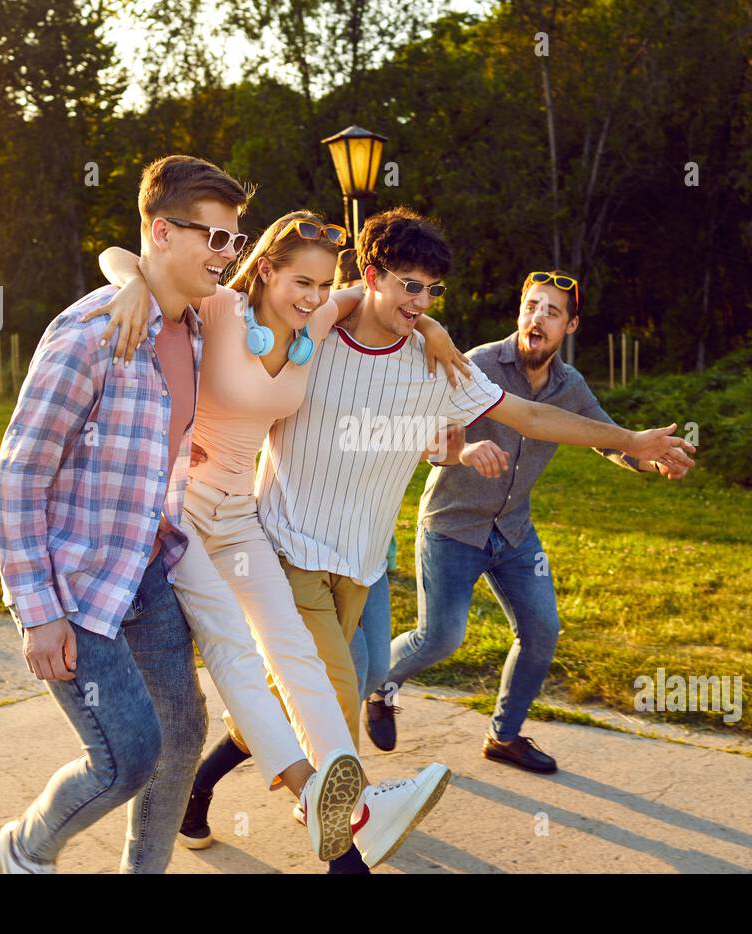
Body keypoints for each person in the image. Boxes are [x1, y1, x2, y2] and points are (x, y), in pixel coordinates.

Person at [248, 207, 694, 867]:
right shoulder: (323, 329)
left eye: (431, 292)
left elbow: (536, 417)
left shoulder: (440, 362)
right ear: (371, 275)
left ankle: (222, 775)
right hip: (292, 546)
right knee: (339, 693)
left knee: (342, 679)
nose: (420, 301)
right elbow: (273, 305)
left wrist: (632, 441)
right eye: (407, 285)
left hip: (364, 558)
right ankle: (353, 821)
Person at [0, 156, 369, 873]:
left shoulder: (196, 326)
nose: (228, 255)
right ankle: (27, 848)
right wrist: (36, 609)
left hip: (152, 557)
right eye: (215, 239)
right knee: (128, 753)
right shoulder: (93, 334)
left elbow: (334, 297)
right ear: (162, 233)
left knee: (184, 728)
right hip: (79, 583)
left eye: (235, 239)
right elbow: (18, 474)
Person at [92, 209, 472, 872]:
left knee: (295, 653)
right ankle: (336, 809)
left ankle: (356, 803)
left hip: (239, 516)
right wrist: (130, 283)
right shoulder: (218, 309)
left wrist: (431, 325)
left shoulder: (311, 326)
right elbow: (119, 259)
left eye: (322, 285)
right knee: (240, 656)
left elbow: (363, 292)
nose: (314, 296)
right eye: (302, 280)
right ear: (264, 268)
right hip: (182, 513)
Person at [367, 270, 692, 773]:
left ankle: (505, 735)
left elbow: (606, 439)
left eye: (552, 311)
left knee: (542, 630)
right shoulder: (476, 364)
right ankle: (378, 688)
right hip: (453, 526)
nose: (537, 318)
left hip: (513, 531)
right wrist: (466, 449)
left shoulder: (570, 385)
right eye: (532, 306)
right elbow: (427, 436)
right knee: (441, 637)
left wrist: (651, 461)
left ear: (570, 326)